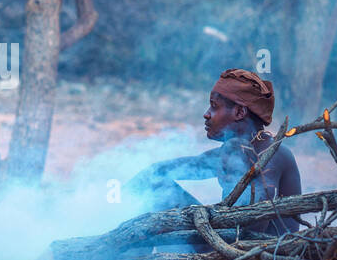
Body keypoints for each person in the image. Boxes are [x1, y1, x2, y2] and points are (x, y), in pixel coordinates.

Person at [127, 68, 301, 237]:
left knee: (161, 193)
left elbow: (249, 233)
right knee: (157, 184)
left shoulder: (271, 157)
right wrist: (119, 199)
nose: (206, 114)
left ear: (239, 112)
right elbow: (158, 171)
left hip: (253, 255)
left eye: (214, 106)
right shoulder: (237, 148)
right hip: (224, 242)